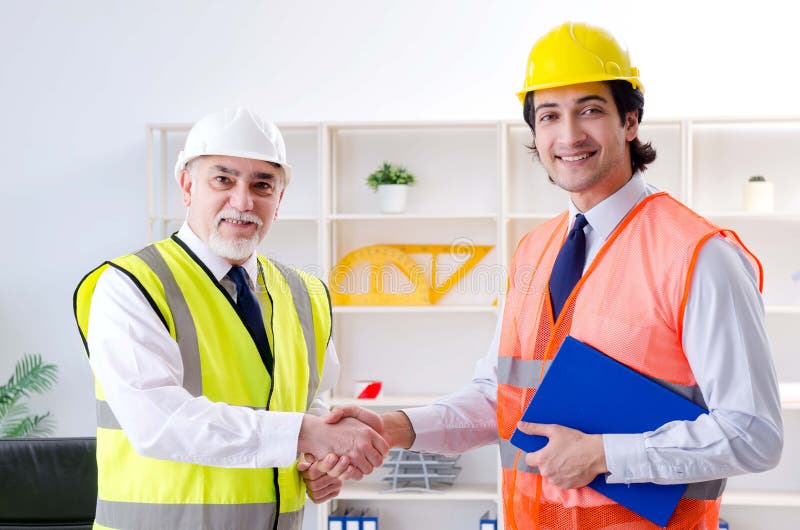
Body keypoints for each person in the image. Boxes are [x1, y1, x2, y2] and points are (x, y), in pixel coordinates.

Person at [309, 22, 784, 529]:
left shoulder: (697, 255)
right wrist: (394, 426)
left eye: (590, 110)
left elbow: (754, 433)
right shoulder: (534, 252)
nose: (569, 135)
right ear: (535, 133)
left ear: (630, 121)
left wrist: (605, 454)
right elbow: (501, 399)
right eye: (550, 116)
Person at [74, 107, 389, 530]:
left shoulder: (306, 294)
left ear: (279, 200)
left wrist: (320, 461)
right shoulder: (131, 285)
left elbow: (308, 403)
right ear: (187, 185)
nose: (243, 202)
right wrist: (305, 434)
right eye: (223, 180)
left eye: (263, 184)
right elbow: (158, 421)